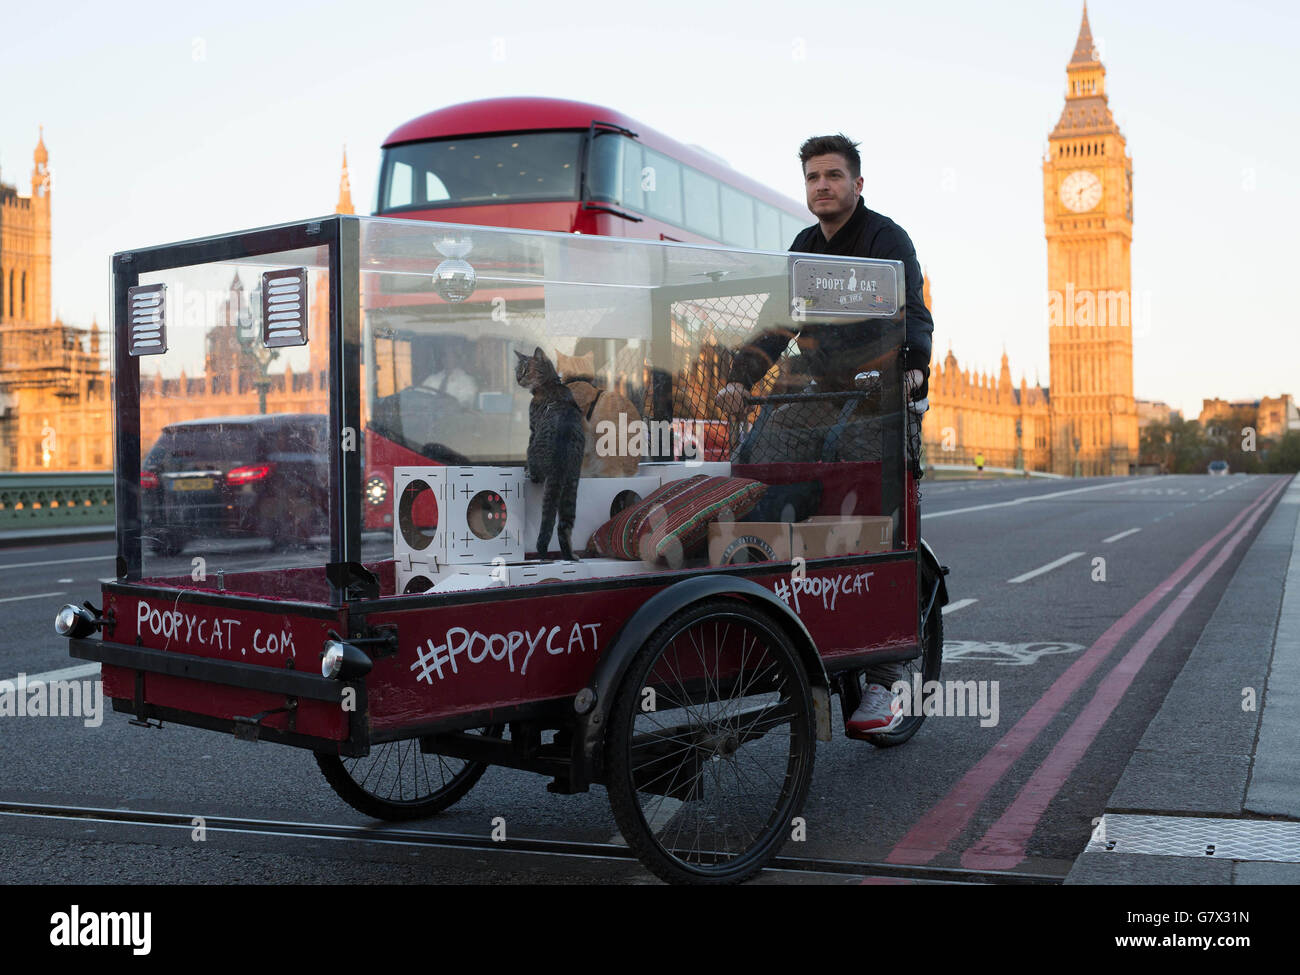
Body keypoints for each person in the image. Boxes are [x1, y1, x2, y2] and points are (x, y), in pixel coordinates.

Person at [716, 133, 934, 736]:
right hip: (816, 387)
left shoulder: (886, 239)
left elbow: (914, 312)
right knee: (762, 462)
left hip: (876, 390)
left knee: (864, 491)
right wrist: (739, 378)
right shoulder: (804, 249)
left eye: (833, 176)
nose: (822, 186)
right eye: (813, 177)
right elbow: (774, 324)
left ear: (857, 184)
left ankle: (888, 672)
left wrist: (913, 364)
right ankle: (765, 602)